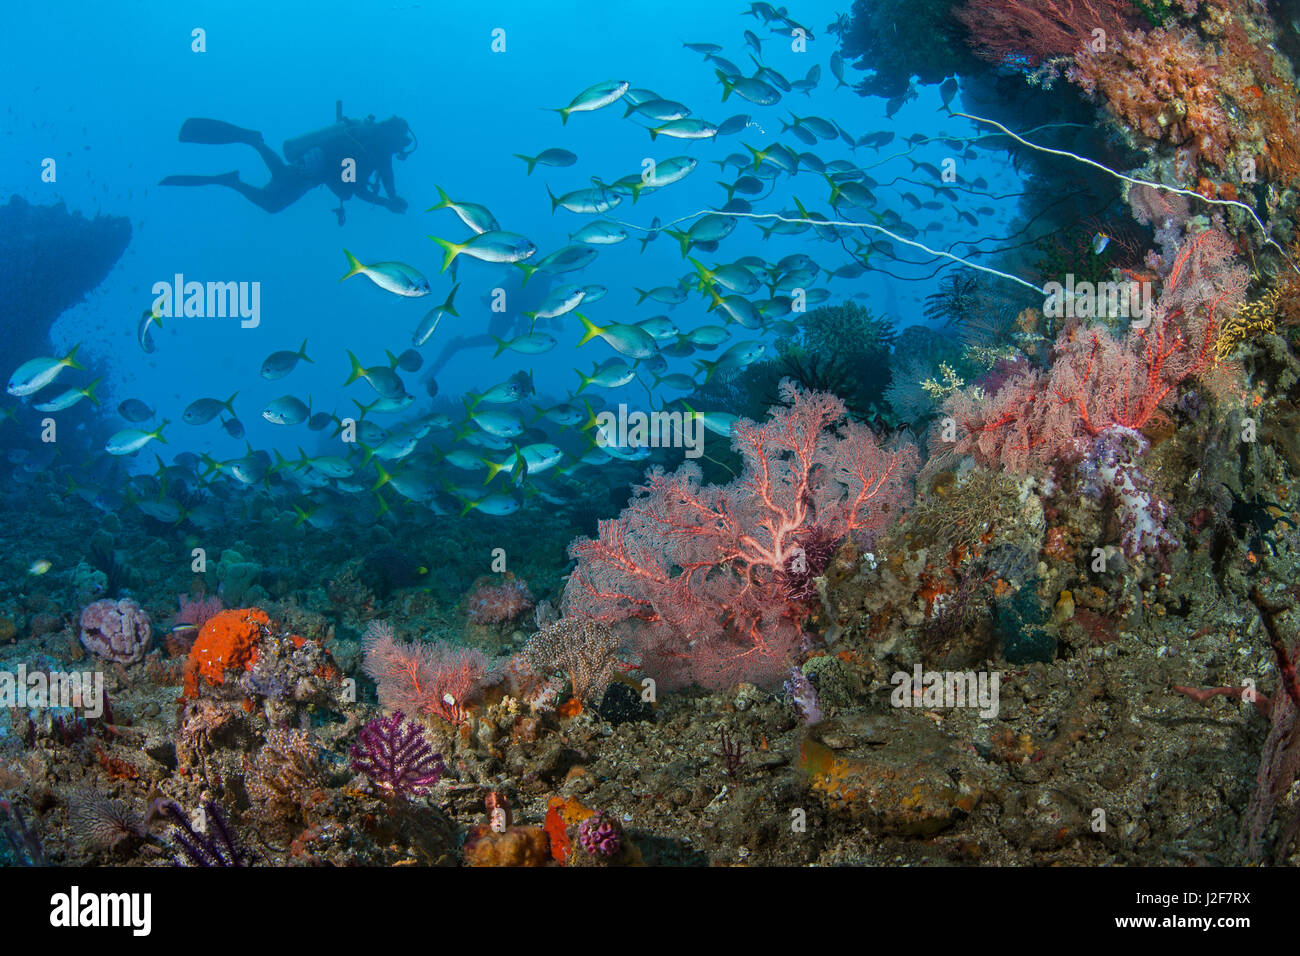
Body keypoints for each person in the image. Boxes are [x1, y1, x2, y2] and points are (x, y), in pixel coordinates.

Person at [160, 102, 415, 224]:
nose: (398, 151)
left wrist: (391, 197)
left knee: (283, 175)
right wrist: (385, 202)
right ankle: (233, 180)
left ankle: (255, 142)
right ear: (392, 139)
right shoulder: (365, 149)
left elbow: (386, 175)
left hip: (313, 168)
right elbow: (351, 184)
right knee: (272, 203)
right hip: (315, 169)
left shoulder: (378, 149)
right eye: (399, 145)